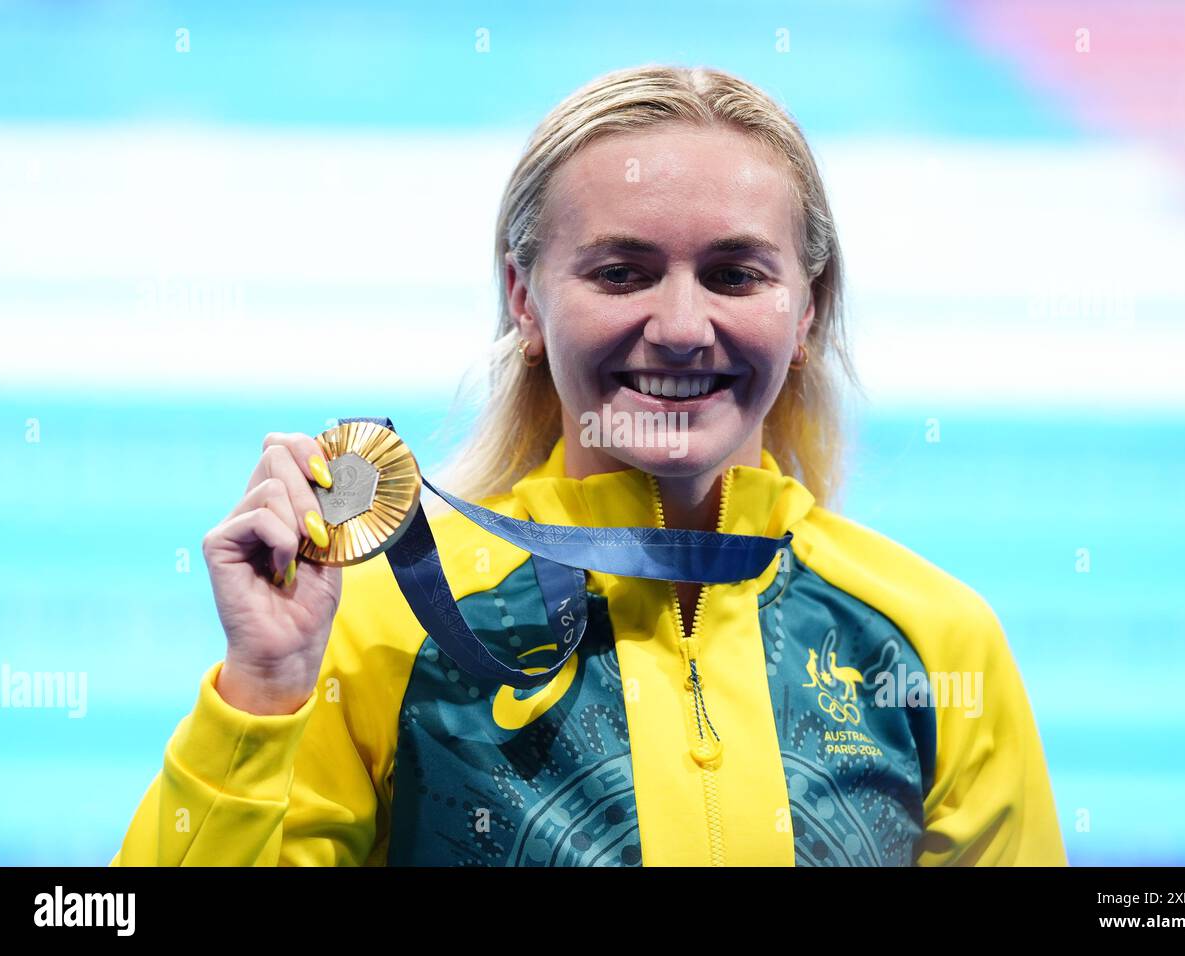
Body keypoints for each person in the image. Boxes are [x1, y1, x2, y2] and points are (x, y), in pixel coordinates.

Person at [112, 64, 1066, 867]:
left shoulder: (930, 641)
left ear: (807, 308)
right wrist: (264, 690)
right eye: (621, 273)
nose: (682, 328)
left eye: (735, 275)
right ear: (524, 300)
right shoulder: (379, 629)